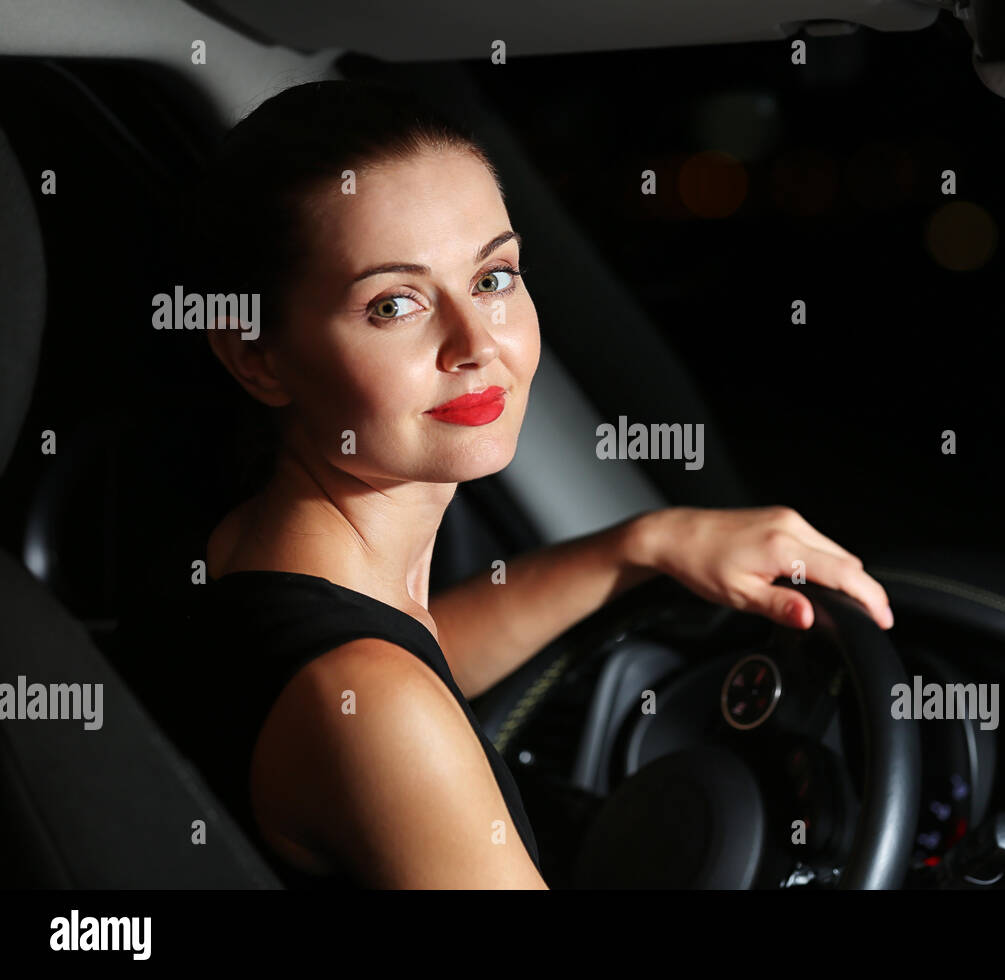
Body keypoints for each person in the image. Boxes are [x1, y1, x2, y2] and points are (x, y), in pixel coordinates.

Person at [177, 78, 894, 889]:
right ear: (255, 356)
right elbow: (385, 697)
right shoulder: (373, 705)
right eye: (394, 304)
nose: (475, 343)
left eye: (492, 279)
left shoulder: (255, 557)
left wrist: (645, 541)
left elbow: (417, 646)